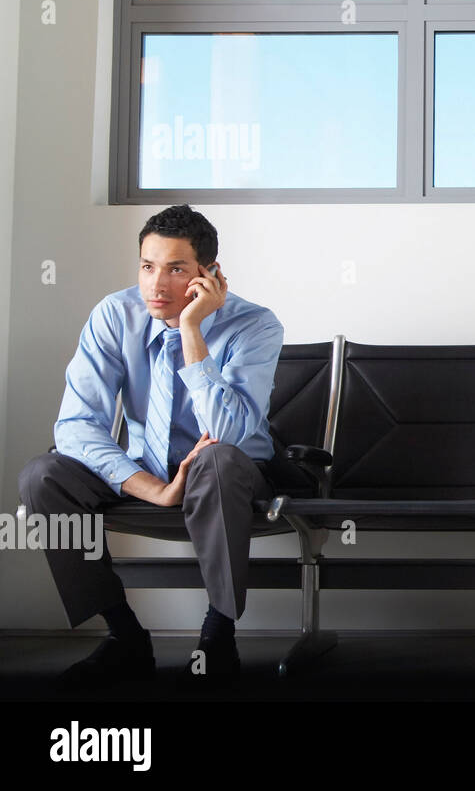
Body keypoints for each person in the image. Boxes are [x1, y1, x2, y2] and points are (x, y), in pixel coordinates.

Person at [18, 204, 285, 689]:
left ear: (209, 274)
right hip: (145, 475)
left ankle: (218, 639)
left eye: (176, 269)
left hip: (230, 475)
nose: (157, 286)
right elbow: (76, 425)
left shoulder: (256, 325)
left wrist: (191, 330)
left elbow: (228, 432)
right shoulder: (115, 315)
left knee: (217, 458)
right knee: (43, 475)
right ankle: (124, 637)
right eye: (147, 266)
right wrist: (152, 489)